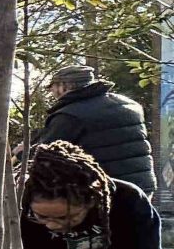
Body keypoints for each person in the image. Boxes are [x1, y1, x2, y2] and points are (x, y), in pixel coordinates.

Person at [19, 141, 170, 249]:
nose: (52, 225)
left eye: (66, 217)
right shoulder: (21, 205)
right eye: (41, 217)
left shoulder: (129, 200)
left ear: (91, 202)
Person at [34, 65, 158, 197]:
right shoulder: (130, 105)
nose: (52, 92)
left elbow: (47, 153)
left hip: (105, 188)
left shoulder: (70, 115)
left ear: (64, 86)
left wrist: (21, 154)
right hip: (142, 186)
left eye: (52, 87)